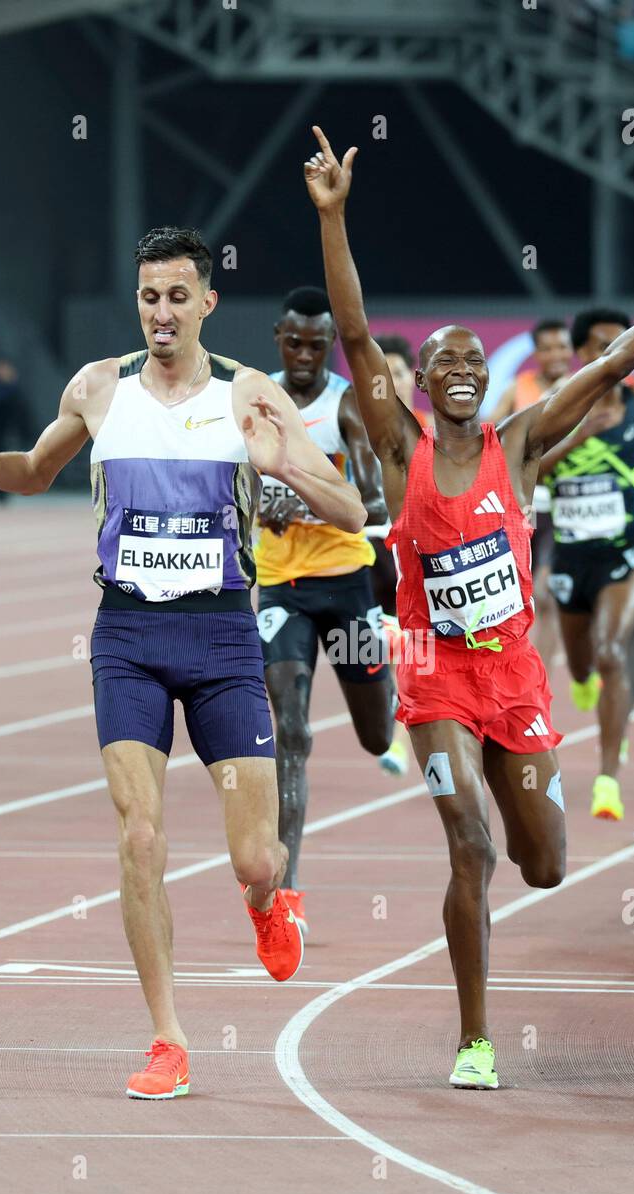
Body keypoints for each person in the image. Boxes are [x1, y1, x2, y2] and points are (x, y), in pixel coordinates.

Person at [305, 123, 634, 1088]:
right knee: (469, 845)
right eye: (445, 364)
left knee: (542, 863)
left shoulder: (524, 438)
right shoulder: (399, 444)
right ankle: (475, 1040)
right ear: (420, 383)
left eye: (475, 362)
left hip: (513, 672)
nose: (461, 372)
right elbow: (351, 331)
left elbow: (613, 365)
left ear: (492, 381)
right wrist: (334, 219)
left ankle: (524, 821)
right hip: (430, 671)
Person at [0, 226, 367, 1101]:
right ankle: (168, 1040)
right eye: (148, 297)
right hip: (127, 638)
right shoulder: (96, 388)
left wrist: (286, 471)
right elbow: (35, 470)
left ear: (206, 302)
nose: (161, 313)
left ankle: (269, 901)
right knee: (140, 838)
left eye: (176, 297)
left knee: (256, 859)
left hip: (224, 641)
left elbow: (350, 508)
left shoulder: (252, 395)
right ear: (140, 303)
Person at [256, 287, 407, 937]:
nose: (307, 356)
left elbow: (373, 502)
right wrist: (253, 503)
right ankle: (286, 893)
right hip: (281, 584)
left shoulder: (344, 402)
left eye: (319, 345)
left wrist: (300, 495)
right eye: (296, 343)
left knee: (376, 735)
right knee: (292, 730)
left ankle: (390, 691)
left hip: (346, 584)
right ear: (278, 338)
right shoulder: (253, 398)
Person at [540, 307, 634, 821]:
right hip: (570, 558)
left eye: (621, 345)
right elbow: (528, 469)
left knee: (612, 651)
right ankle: (581, 679)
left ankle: (608, 779)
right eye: (603, 346)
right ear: (581, 352)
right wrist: (581, 435)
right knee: (580, 662)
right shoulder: (558, 405)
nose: (615, 357)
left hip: (624, 553)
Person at [491, 320, 574, 671]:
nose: (555, 355)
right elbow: (491, 433)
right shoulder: (518, 388)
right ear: (536, 353)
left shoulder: (578, 387)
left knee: (547, 595)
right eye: (547, 348)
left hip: (563, 505)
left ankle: (539, 677)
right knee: (510, 594)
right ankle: (506, 666)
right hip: (522, 504)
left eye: (561, 347)